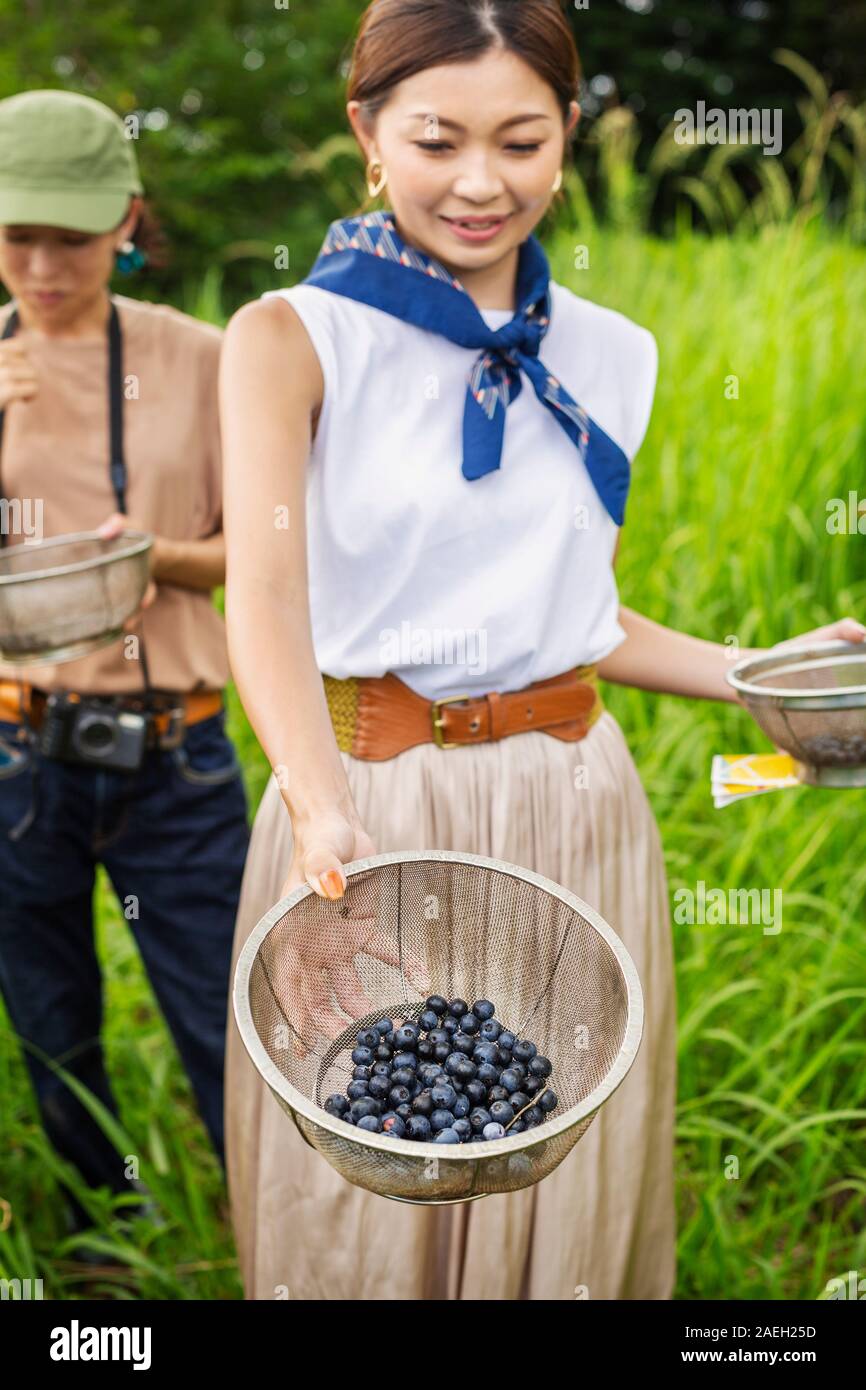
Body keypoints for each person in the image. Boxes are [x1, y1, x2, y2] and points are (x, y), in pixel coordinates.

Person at [219, 0, 866, 1300]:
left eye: (519, 140)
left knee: (558, 1142)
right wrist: (318, 801)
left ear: (567, 135)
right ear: (366, 134)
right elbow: (267, 600)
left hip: (578, 801)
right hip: (369, 806)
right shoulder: (292, 336)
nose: (478, 182)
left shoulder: (613, 353)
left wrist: (751, 671)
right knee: (381, 1161)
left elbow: (574, 616)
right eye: (435, 138)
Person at [0, 89, 249, 1237]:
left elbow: (271, 551)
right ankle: (113, 1244)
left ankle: (282, 1238)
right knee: (54, 1026)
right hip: (17, 756)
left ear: (128, 221)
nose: (44, 265)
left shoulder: (206, 359)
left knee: (237, 1023)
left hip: (176, 758)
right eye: (18, 236)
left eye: (74, 234)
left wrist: (159, 560)